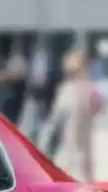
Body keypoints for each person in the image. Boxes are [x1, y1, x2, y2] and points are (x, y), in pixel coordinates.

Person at [42, 49, 101, 182]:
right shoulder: (90, 90)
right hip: (80, 154)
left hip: (70, 153)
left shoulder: (68, 90)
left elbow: (55, 122)